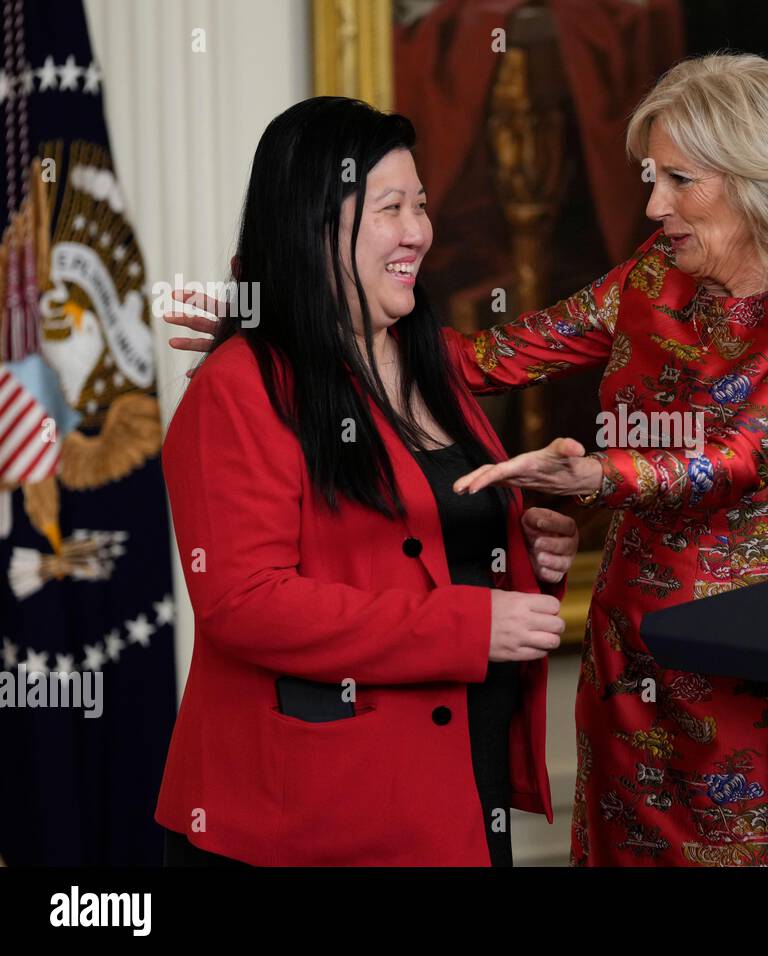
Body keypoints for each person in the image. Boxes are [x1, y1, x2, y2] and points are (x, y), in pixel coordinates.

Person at [169, 54, 768, 867]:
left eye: (678, 180)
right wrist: (293, 309)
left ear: (757, 177)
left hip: (754, 664)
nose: (654, 205)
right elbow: (489, 356)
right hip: (630, 650)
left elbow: (735, 461)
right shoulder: (656, 274)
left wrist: (594, 477)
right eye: (652, 177)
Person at [157, 97, 576, 866]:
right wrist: (469, 627)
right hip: (315, 819)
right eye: (391, 208)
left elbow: (423, 543)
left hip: (459, 783)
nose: (419, 231)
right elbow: (244, 603)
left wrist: (526, 550)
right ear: (314, 226)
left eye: (421, 204)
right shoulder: (237, 386)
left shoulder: (434, 361)